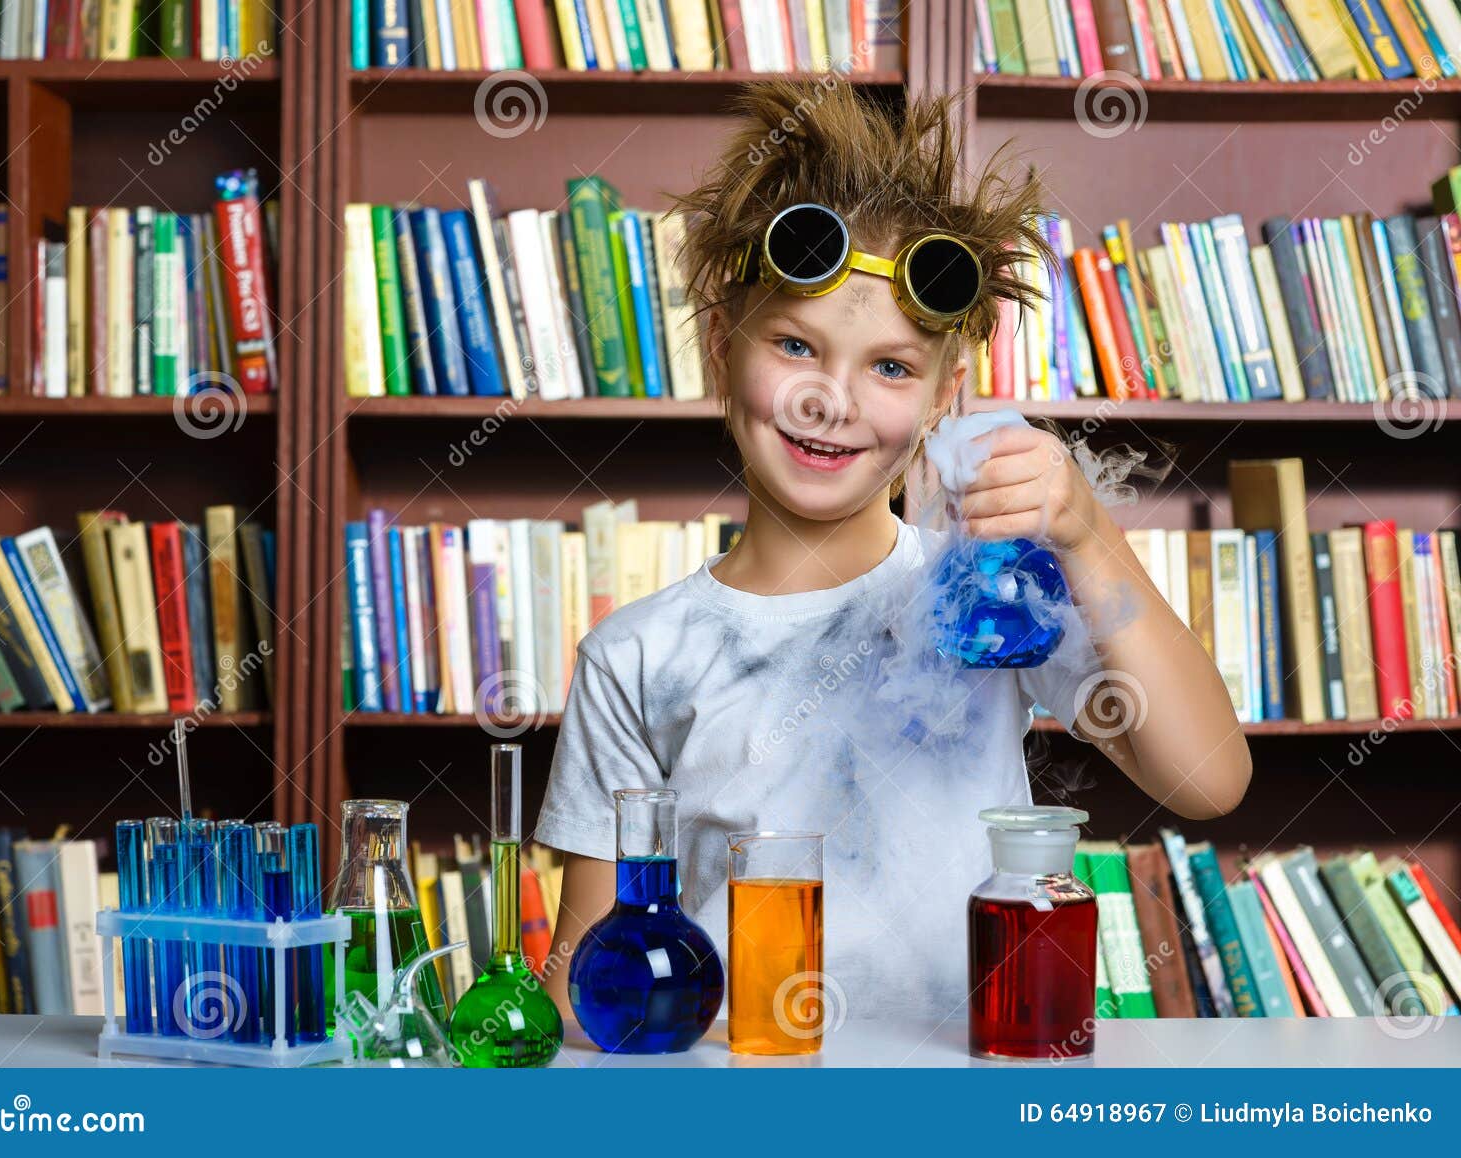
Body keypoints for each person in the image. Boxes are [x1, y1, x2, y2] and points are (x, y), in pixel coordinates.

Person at [532, 77, 1251, 1022]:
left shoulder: (983, 603)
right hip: (743, 1089)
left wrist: (1087, 532)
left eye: (890, 367)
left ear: (945, 396)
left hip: (963, 1090)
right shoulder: (634, 656)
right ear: (721, 344)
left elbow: (1208, 779)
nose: (834, 398)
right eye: (794, 345)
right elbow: (589, 977)